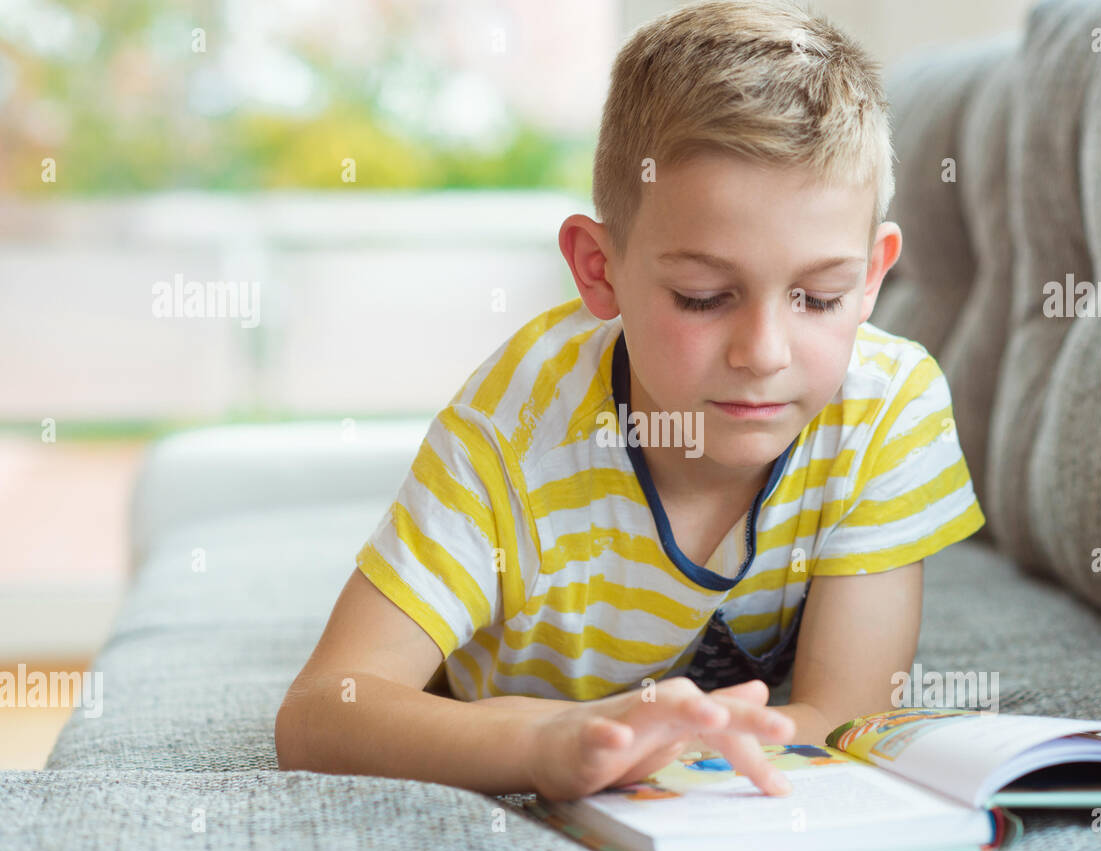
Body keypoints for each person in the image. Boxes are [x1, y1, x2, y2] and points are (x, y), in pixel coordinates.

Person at [276, 0, 985, 805]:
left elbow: (842, 717)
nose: (764, 352)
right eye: (703, 295)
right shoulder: (512, 436)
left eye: (818, 298)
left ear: (870, 278)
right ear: (599, 269)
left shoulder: (889, 407)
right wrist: (547, 741)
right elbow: (319, 712)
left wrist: (672, 758)